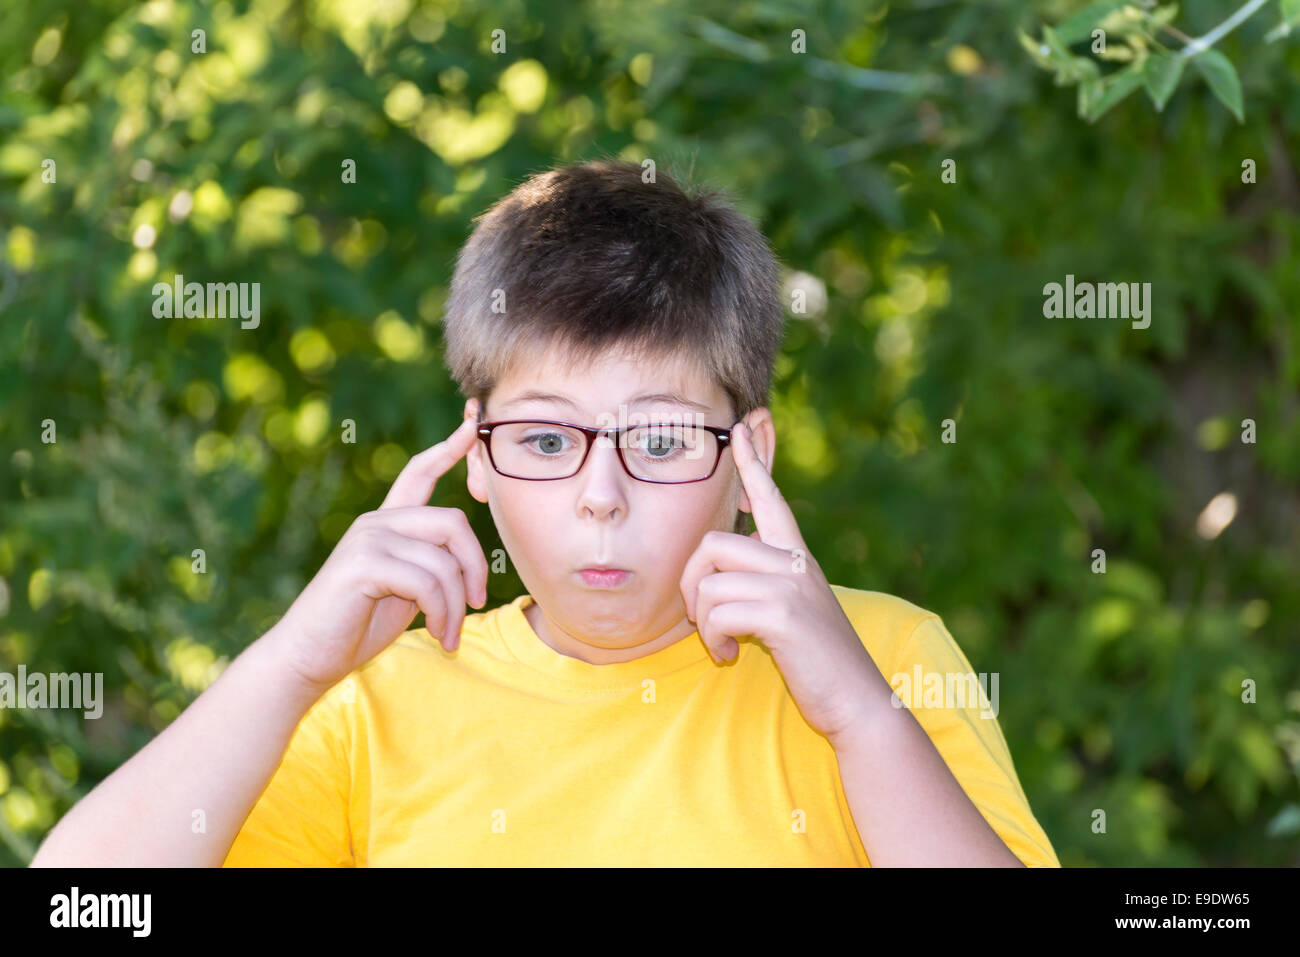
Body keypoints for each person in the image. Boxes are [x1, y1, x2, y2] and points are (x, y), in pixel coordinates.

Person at [31, 160, 1058, 867]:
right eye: (545, 441)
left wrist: (859, 717)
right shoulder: (377, 699)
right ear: (473, 457)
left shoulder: (876, 656)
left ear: (749, 459)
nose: (599, 495)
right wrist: (290, 664)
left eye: (658, 441)